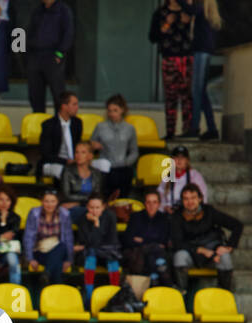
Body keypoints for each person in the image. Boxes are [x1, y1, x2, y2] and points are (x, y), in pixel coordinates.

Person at [171, 183, 241, 293]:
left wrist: (229, 247)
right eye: (186, 199)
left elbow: (237, 225)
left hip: (213, 254)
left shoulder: (209, 212)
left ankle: (224, 293)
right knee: (179, 256)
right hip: (192, 253)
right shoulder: (177, 216)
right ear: (182, 201)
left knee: (225, 257)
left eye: (193, 198)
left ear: (200, 198)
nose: (190, 202)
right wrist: (202, 250)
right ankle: (181, 291)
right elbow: (178, 243)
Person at [150, 0, 195, 140]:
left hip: (186, 58)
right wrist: (166, 24)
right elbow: (152, 37)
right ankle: (170, 132)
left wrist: (188, 14)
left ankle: (188, 130)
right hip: (169, 58)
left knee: (187, 96)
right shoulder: (160, 13)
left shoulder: (188, 11)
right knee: (171, 97)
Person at [89, 95, 139, 201]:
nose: (112, 114)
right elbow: (89, 147)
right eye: (109, 111)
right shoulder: (100, 127)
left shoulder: (129, 128)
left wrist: (126, 162)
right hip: (105, 169)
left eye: (115, 110)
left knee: (123, 191)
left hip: (123, 168)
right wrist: (93, 146)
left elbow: (134, 151)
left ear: (122, 110)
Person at [26, 0, 73, 115]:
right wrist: (28, 53)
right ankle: (38, 124)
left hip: (53, 56)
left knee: (58, 95)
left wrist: (60, 54)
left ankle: (59, 127)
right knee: (35, 94)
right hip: (36, 56)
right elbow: (29, 31)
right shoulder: (38, 10)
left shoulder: (63, 10)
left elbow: (68, 33)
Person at [23, 189, 73, 289]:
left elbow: (68, 236)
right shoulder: (34, 213)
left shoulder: (64, 214)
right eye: (46, 201)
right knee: (57, 264)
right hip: (40, 251)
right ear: (42, 201)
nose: (49, 204)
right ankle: (56, 295)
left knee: (62, 247)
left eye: (53, 201)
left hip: (58, 250)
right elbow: (29, 236)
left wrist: (69, 259)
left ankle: (46, 274)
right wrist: (30, 258)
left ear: (57, 202)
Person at [75, 194, 121, 304]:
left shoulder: (110, 217)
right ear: (87, 207)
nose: (94, 211)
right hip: (89, 253)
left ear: (103, 207)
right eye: (91, 207)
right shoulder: (83, 218)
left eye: (97, 207)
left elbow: (112, 240)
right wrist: (96, 223)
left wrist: (92, 242)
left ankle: (115, 294)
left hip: (107, 251)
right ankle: (89, 298)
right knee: (90, 255)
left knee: (112, 259)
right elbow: (86, 242)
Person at [122, 189, 173, 285]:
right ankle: (165, 279)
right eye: (148, 202)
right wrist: (152, 241)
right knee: (155, 250)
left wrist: (142, 239)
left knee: (152, 256)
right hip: (137, 253)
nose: (151, 205)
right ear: (144, 203)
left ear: (159, 204)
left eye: (154, 202)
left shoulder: (164, 219)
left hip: (150, 254)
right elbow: (128, 240)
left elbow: (164, 241)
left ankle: (154, 280)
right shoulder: (136, 217)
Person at [190, 0, 221, 141]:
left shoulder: (201, 10)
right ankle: (212, 128)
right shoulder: (208, 13)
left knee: (197, 91)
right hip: (205, 52)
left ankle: (194, 127)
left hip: (201, 52)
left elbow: (189, 9)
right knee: (201, 92)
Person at [38, 90, 82, 180]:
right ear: (64, 106)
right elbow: (46, 154)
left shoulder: (77, 123)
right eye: (74, 104)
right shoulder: (49, 125)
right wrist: (66, 161)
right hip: (53, 163)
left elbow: (78, 144)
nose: (77, 107)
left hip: (75, 162)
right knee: (62, 170)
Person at [156, 145, 209, 213]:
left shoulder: (195, 176)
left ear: (187, 160)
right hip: (171, 214)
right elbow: (159, 198)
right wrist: (165, 207)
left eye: (183, 158)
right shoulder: (168, 177)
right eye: (176, 157)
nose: (179, 160)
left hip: (190, 213)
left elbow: (203, 198)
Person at [58, 141, 97, 226]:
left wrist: (79, 203)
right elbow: (66, 195)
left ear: (90, 156)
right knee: (83, 213)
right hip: (72, 208)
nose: (78, 155)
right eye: (77, 152)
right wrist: (82, 203)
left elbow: (97, 195)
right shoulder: (67, 171)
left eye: (83, 152)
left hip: (91, 207)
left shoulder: (96, 173)